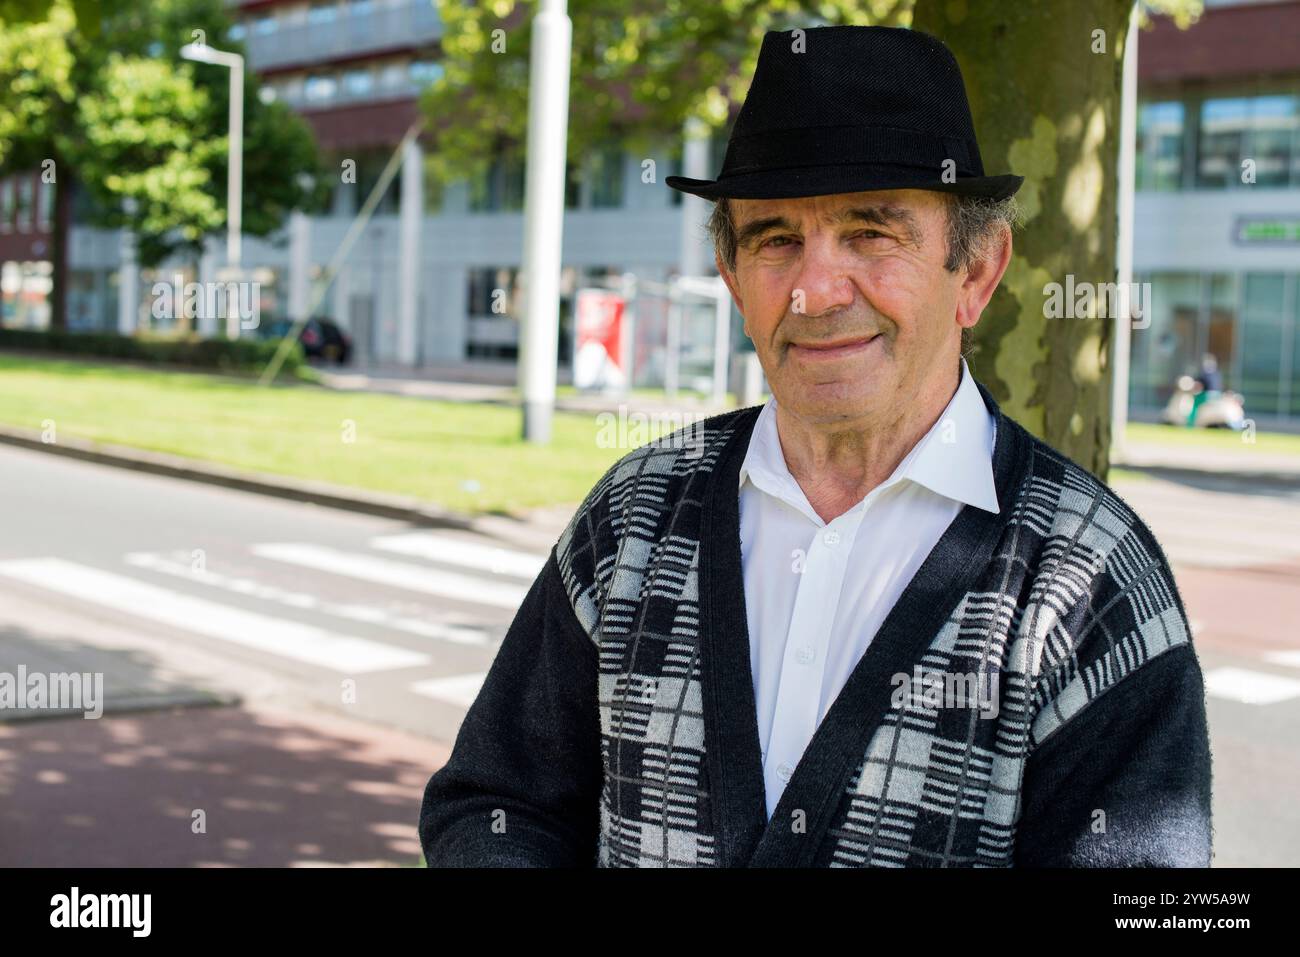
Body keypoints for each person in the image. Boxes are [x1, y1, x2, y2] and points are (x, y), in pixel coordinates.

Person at [419, 25, 1213, 868]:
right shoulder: (632, 516)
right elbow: (496, 803)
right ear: (731, 275)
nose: (815, 290)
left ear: (976, 271)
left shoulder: (1089, 580)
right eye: (775, 239)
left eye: (872, 232)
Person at [1187, 353, 1223, 427]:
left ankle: (1191, 423)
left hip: (1208, 395)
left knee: (1195, 404)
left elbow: (1197, 385)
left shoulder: (1204, 374)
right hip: (1217, 396)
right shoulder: (1217, 374)